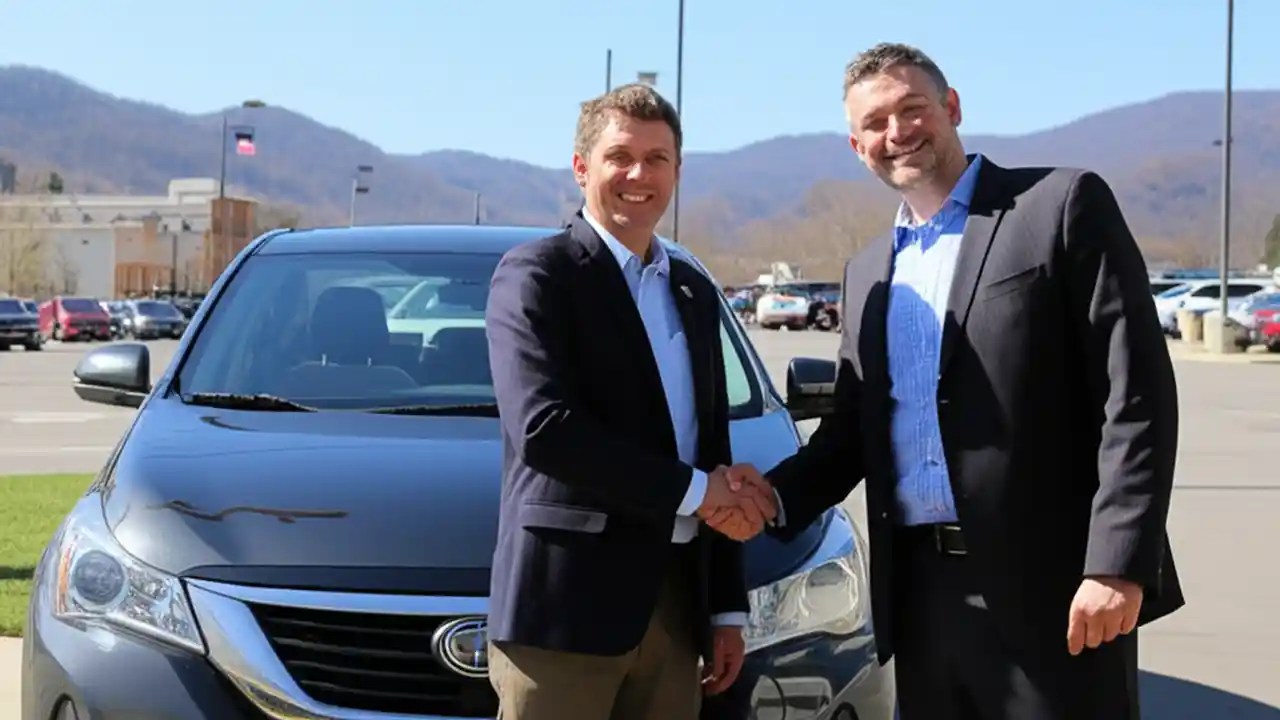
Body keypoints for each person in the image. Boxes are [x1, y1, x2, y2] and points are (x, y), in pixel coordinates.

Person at [712, 43, 1184, 719]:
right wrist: (771, 499)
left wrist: (1117, 562)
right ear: (857, 145)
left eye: (912, 108)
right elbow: (853, 433)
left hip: (1056, 591)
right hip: (923, 599)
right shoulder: (868, 270)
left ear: (951, 107)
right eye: (875, 123)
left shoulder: (1057, 206)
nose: (896, 132)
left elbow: (1134, 396)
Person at [484, 83, 776, 720]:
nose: (638, 175)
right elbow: (546, 430)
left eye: (657, 158)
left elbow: (713, 447)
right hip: (565, 615)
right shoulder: (537, 276)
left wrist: (725, 608)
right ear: (582, 167)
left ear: (677, 171)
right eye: (620, 156)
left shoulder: (693, 292)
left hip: (674, 614)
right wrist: (701, 494)